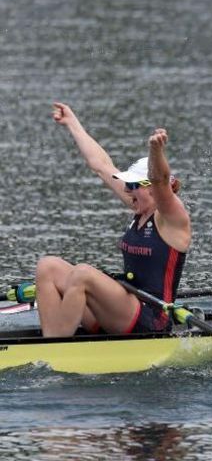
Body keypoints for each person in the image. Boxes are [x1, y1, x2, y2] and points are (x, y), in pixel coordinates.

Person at [34, 103, 191, 337]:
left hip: (152, 320)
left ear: (151, 189)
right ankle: (51, 337)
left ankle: (54, 349)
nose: (127, 191)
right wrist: (73, 124)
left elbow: (160, 179)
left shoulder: (171, 219)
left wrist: (155, 151)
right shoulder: (139, 206)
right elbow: (101, 166)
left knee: (84, 273)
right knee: (48, 267)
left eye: (133, 185)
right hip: (122, 308)